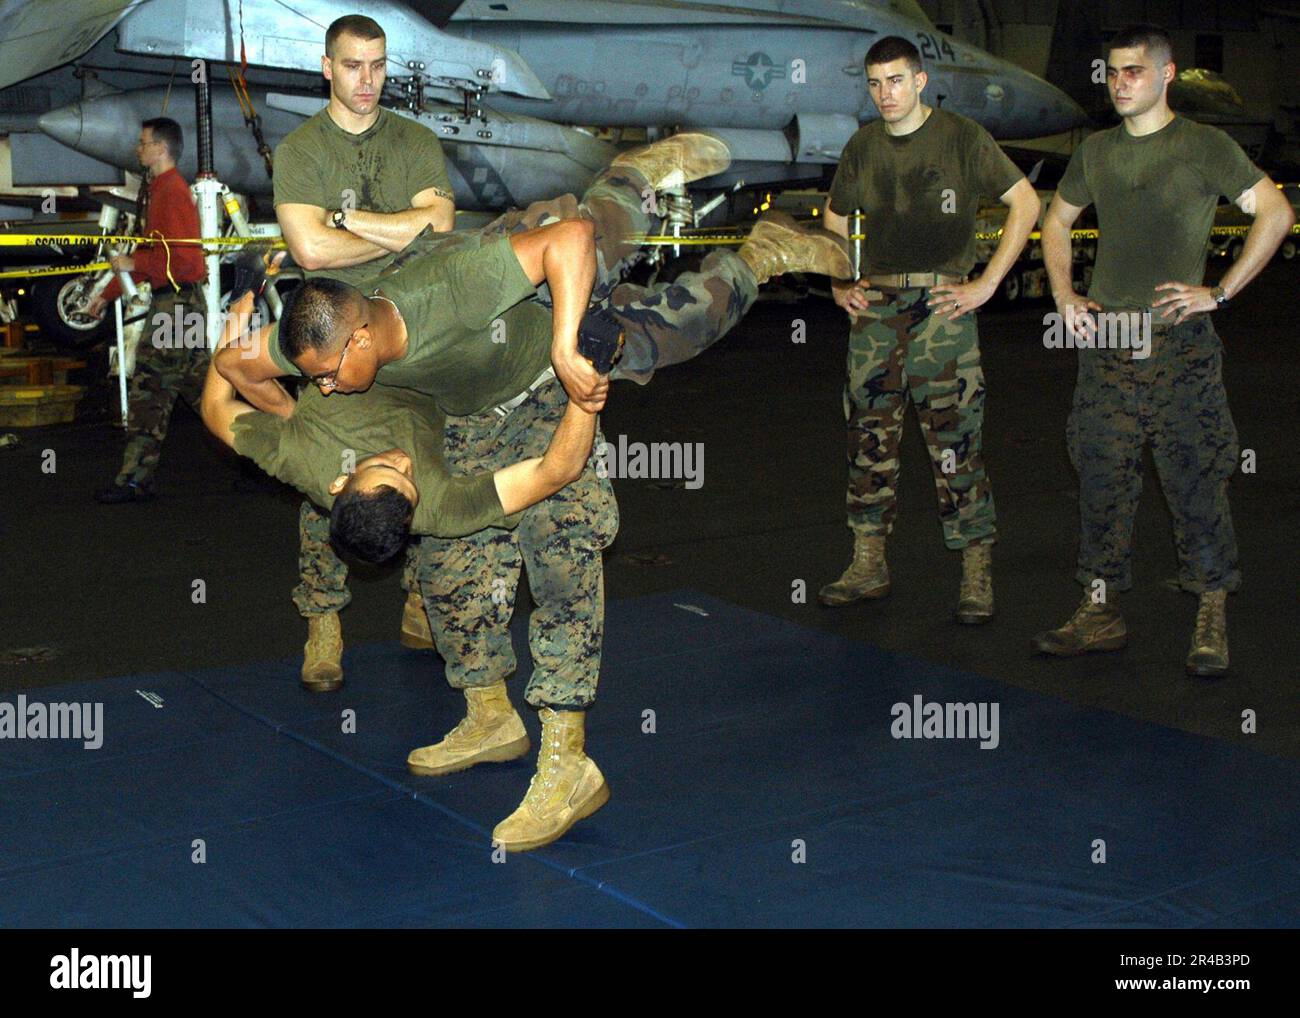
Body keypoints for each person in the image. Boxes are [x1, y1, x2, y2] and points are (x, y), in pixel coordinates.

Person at [218, 132, 852, 851]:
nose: (322, 388)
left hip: (546, 356)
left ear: (361, 342)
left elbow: (571, 240)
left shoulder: (444, 296)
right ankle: (491, 714)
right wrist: (235, 341)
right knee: (448, 557)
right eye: (317, 377)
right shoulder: (323, 327)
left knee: (652, 333)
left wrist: (568, 358)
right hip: (478, 395)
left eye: (329, 375)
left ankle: (568, 762)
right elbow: (243, 368)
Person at [1033, 25, 1293, 676]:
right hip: (1110, 340)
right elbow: (1055, 219)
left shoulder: (1205, 146)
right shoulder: (1097, 152)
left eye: (1132, 73)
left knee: (1195, 476)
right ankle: (1099, 610)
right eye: (1113, 74)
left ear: (1166, 74)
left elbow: (1276, 211)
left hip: (1179, 341)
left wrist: (1222, 292)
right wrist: (1064, 294)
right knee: (1100, 477)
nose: (1120, 84)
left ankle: (1210, 609)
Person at [818, 35, 1040, 623]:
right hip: (877, 309)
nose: (885, 94)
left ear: (920, 81)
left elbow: (1026, 203)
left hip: (944, 306)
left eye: (895, 81)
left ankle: (975, 570)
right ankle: (868, 563)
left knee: (955, 441)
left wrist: (987, 284)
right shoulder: (863, 146)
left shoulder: (962, 137)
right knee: (868, 439)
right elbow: (834, 215)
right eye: (874, 83)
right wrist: (842, 281)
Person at [273, 13, 458, 692]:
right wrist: (398, 237)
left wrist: (347, 220)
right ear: (327, 67)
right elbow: (311, 252)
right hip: (331, 343)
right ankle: (323, 622)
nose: (367, 81)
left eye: (379, 66)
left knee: (428, 469)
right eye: (352, 66)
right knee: (329, 482)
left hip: (413, 336)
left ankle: (420, 602)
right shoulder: (302, 150)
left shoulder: (414, 139)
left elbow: (441, 225)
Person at [91, 117, 208, 503]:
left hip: (174, 306)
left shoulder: (170, 193)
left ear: (160, 148)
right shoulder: (162, 191)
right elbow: (152, 257)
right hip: (181, 304)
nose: (137, 149)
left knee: (150, 390)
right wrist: (107, 293)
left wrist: (130, 269)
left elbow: (187, 263)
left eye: (143, 143)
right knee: (204, 392)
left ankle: (135, 479)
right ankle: (264, 455)